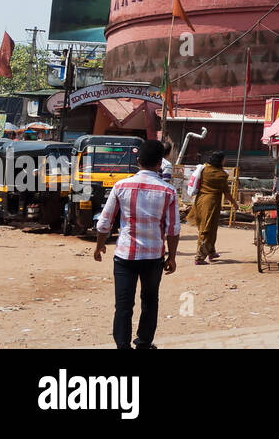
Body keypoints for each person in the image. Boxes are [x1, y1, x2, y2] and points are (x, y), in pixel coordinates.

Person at [93, 139, 179, 350]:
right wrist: (172, 257)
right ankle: (143, 343)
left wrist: (99, 246)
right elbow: (173, 229)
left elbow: (105, 222)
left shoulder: (121, 186)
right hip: (153, 258)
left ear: (138, 161)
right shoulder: (168, 191)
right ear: (160, 163)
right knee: (150, 301)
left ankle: (122, 345)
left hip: (125, 257)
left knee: (123, 304)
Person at [190, 150, 239, 265]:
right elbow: (226, 193)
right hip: (211, 204)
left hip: (200, 201)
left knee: (209, 227)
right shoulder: (221, 175)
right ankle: (199, 257)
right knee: (207, 229)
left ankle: (211, 251)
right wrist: (234, 203)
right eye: (224, 159)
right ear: (220, 161)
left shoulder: (204, 169)